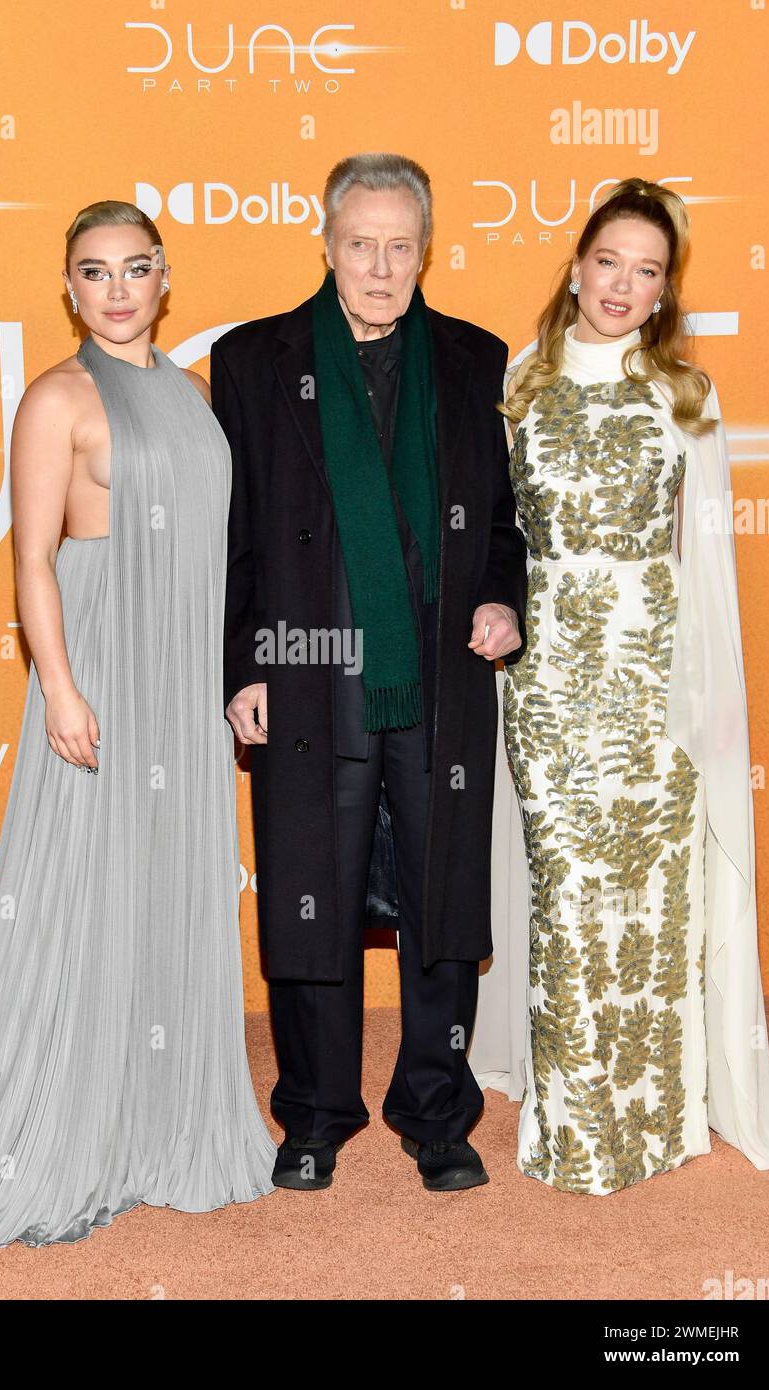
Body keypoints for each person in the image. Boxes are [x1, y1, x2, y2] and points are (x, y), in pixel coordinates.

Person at [0, 200, 276, 1246]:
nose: (117, 290)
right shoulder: (57, 400)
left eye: (135, 269)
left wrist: (231, 673)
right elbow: (33, 557)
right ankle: (67, 1128)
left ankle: (158, 1120)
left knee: (169, 885)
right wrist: (62, 687)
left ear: (166, 278)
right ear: (67, 288)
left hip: (183, 678)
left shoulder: (197, 396)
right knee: (92, 881)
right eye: (93, 272)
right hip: (107, 664)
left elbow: (219, 555)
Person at [211, 153, 528, 1193]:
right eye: (361, 245)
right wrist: (246, 660)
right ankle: (314, 1111)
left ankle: (437, 1111)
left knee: (443, 900)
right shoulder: (256, 362)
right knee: (311, 894)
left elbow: (505, 530)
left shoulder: (480, 364)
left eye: (400, 246)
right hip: (306, 676)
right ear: (327, 243)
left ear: (425, 249)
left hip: (438, 680)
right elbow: (236, 534)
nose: (381, 266)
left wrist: (499, 597)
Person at [493, 177, 769, 1193]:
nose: (623, 284)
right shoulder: (520, 378)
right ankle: (571, 1124)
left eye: (647, 271)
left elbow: (702, 569)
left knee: (651, 906)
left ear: (665, 292)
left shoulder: (685, 397)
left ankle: (657, 1117)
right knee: (569, 897)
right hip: (547, 685)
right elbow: (496, 541)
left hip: (652, 682)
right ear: (577, 266)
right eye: (608, 261)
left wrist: (701, 711)